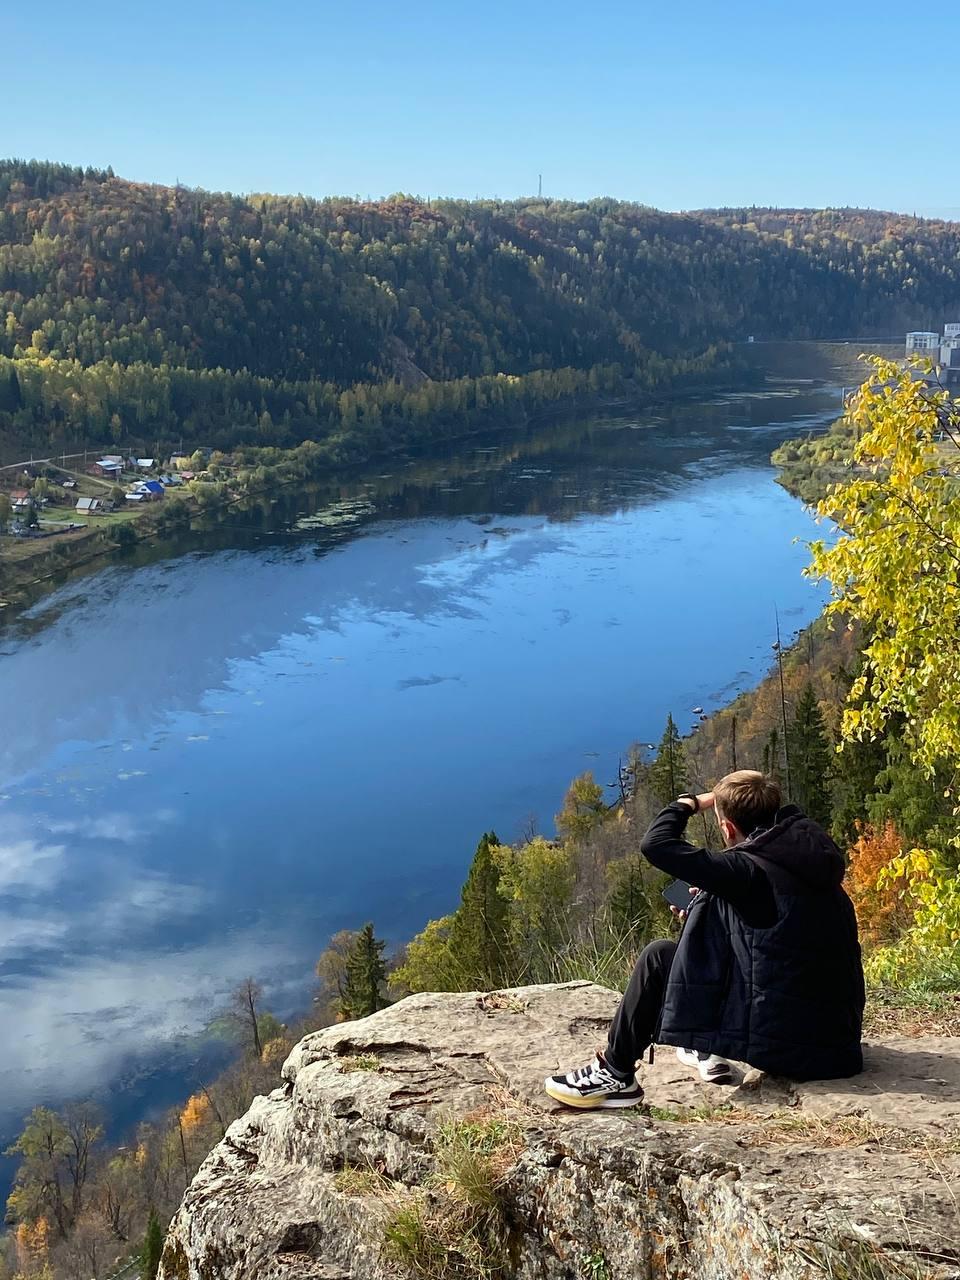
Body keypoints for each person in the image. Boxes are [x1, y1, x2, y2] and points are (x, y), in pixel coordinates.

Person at [545, 769, 865, 1109]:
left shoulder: (745, 871)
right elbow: (776, 938)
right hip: (838, 1044)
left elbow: (656, 844)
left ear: (727, 828)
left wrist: (690, 803)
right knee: (706, 930)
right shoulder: (807, 855)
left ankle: (615, 1073)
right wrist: (709, 909)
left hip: (792, 1051)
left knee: (659, 957)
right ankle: (695, 1045)